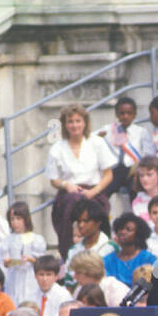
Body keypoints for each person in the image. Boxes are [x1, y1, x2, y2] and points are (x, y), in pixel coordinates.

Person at [47, 103, 116, 255]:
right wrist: (66, 185)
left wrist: (94, 191)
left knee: (94, 212)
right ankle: (68, 255)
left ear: (85, 122)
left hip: (93, 192)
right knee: (72, 202)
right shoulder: (57, 148)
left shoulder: (97, 142)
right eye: (70, 121)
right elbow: (53, 179)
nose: (74, 125)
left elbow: (108, 175)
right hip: (68, 194)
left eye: (78, 121)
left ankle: (103, 253)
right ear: (65, 125)